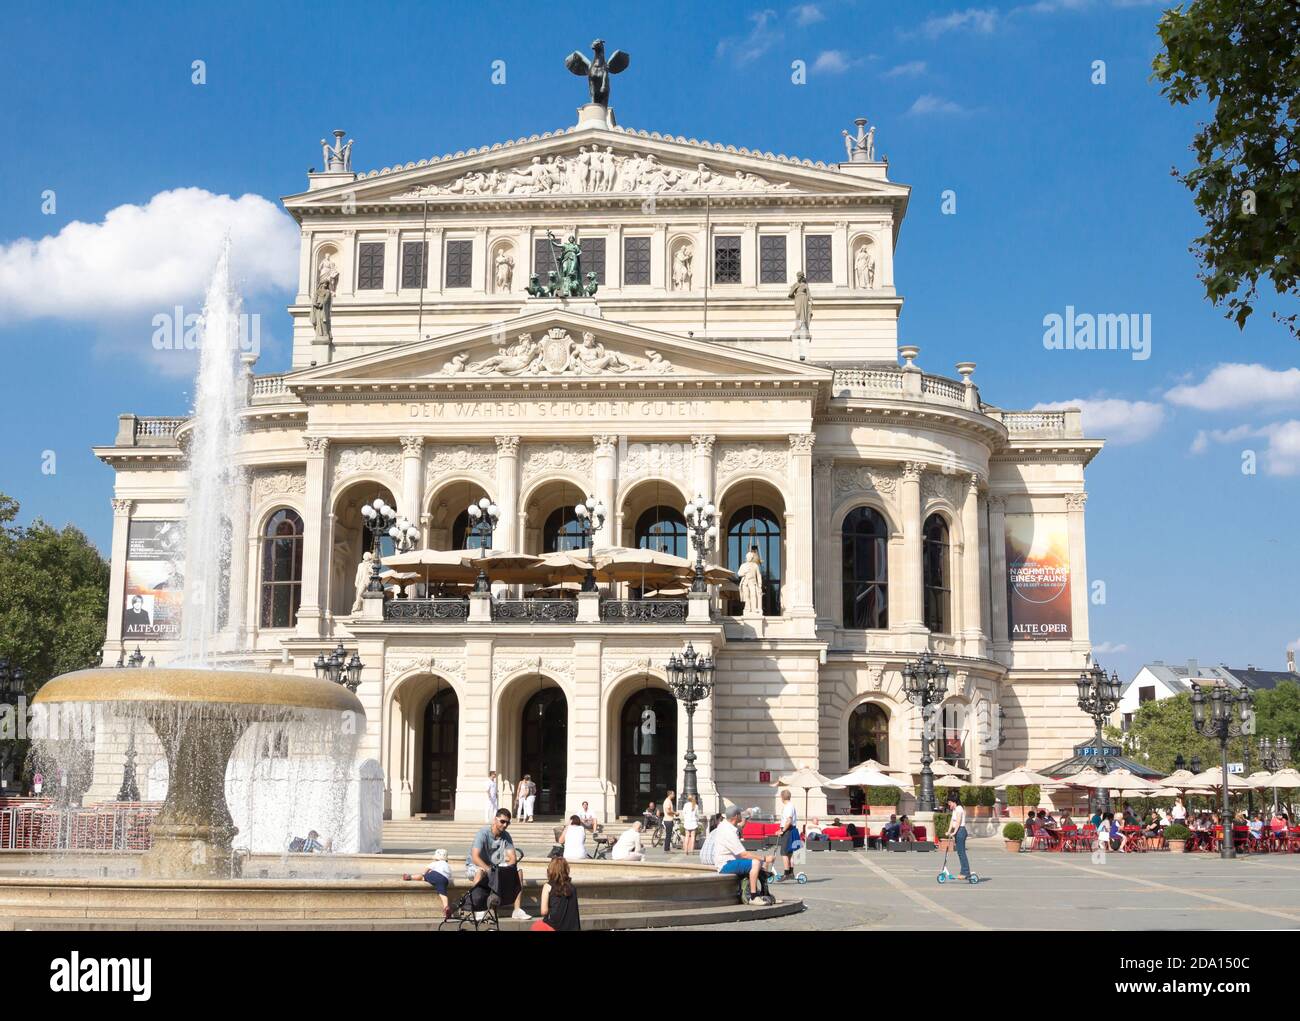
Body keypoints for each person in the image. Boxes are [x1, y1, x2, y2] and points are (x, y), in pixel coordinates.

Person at [465, 808, 530, 921]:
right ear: (495, 819)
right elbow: (475, 857)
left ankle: (517, 910)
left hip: (494, 867)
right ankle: (477, 909)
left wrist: (503, 869)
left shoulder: (506, 836)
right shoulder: (483, 833)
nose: (505, 825)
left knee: (518, 870)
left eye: (507, 823)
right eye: (502, 821)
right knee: (481, 871)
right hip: (475, 866)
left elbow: (513, 859)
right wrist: (489, 869)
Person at [713, 805, 776, 905]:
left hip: (730, 861)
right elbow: (744, 854)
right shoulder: (728, 832)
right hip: (726, 864)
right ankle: (753, 897)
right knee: (756, 863)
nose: (741, 816)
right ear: (735, 816)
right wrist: (764, 858)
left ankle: (764, 893)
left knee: (760, 864)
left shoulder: (726, 825)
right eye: (740, 814)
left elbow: (739, 826)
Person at [403, 848, 454, 918]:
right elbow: (450, 876)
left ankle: (410, 877)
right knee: (443, 894)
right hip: (444, 879)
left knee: (422, 877)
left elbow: (427, 869)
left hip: (435, 874)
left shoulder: (435, 863)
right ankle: (446, 907)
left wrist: (424, 874)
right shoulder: (447, 866)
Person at [537, 855, 581, 931]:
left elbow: (544, 911)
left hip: (554, 925)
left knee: (537, 926)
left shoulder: (547, 886)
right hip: (572, 926)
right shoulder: (572, 888)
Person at [947, 794, 972, 881]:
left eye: (950, 802)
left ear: (954, 802)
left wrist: (954, 832)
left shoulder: (959, 809)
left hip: (961, 831)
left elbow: (958, 821)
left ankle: (966, 872)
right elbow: (952, 821)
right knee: (960, 852)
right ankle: (964, 872)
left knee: (961, 852)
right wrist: (949, 831)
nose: (949, 804)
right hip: (958, 831)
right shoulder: (955, 809)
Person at [777, 788, 799, 877]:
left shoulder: (788, 807)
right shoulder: (790, 805)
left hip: (788, 831)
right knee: (790, 852)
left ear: (782, 797)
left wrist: (782, 831)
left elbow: (788, 820)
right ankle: (791, 872)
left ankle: (786, 873)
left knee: (784, 853)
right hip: (791, 830)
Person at [662, 790, 677, 855]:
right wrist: (675, 813)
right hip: (668, 820)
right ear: (670, 795)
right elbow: (668, 811)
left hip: (669, 820)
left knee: (669, 835)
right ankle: (667, 849)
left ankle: (667, 848)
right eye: (673, 794)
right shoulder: (667, 801)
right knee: (668, 835)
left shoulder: (668, 801)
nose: (674, 795)